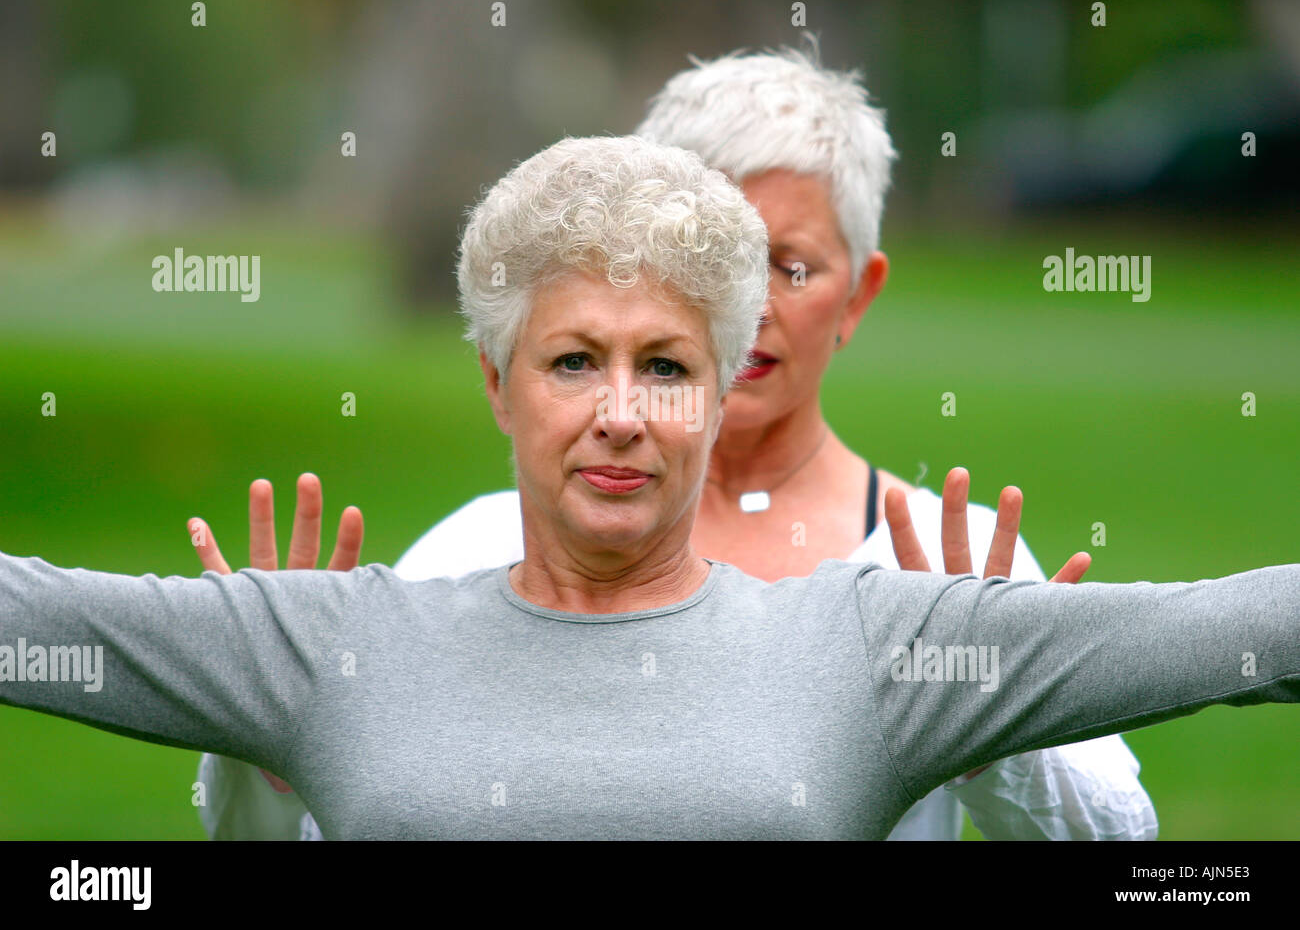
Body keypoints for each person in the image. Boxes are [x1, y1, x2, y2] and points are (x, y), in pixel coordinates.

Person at [3, 136, 1296, 840]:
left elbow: (1242, 632)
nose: (622, 413)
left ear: (723, 382)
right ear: (499, 385)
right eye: (574, 360)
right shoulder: (325, 637)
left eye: (667, 366)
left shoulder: (886, 637)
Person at [194, 48, 1154, 840]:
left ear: (858, 295)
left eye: (792, 265)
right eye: (710, 260)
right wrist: (271, 723)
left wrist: (993, 729)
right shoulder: (480, 550)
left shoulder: (947, 574)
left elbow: (1124, 848)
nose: (754, 306)